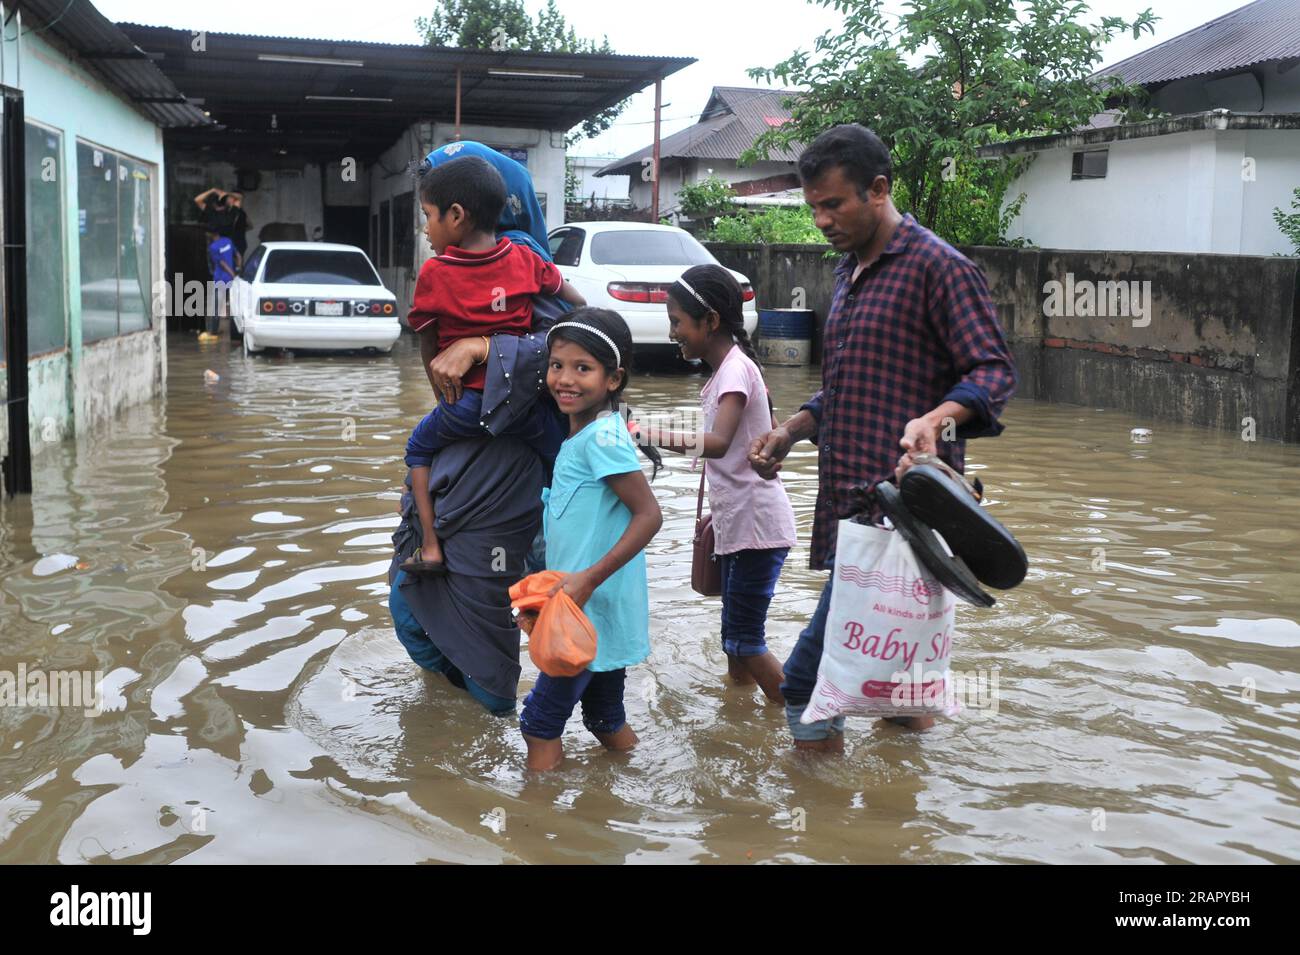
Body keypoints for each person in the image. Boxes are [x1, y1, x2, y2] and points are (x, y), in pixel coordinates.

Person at [748, 124, 1017, 751]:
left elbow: (994, 372)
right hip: (852, 511)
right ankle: (904, 819)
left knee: (804, 685)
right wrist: (791, 429)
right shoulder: (848, 273)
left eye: (832, 203)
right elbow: (848, 388)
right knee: (900, 688)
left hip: (906, 517)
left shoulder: (939, 267)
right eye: (812, 206)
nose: (820, 219)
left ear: (878, 190)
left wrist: (935, 420)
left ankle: (821, 823)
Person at [402, 155, 584, 577]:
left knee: (417, 451)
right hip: (523, 407)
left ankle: (430, 547)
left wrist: (448, 399)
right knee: (559, 463)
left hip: (466, 404)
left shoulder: (435, 272)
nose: (425, 228)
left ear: (457, 215)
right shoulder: (525, 259)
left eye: (428, 216)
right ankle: (570, 542)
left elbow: (428, 343)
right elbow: (573, 307)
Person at [519, 308, 663, 771]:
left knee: (539, 723)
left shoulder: (601, 438)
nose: (565, 379)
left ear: (613, 378)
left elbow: (649, 515)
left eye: (583, 368)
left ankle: (535, 827)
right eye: (557, 365)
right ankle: (641, 784)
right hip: (584, 607)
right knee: (604, 718)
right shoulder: (587, 435)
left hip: (586, 610)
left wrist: (586, 581)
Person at [647, 264, 796, 703]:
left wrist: (645, 431)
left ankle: (806, 722)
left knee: (745, 641)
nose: (673, 332)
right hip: (742, 526)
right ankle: (738, 719)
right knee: (734, 641)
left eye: (677, 322)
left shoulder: (734, 370)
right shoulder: (729, 370)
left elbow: (717, 443)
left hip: (757, 529)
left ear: (710, 321)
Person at [205, 229, 236, 334]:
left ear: (211, 234)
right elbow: (239, 256)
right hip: (232, 279)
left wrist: (232, 274)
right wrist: (237, 273)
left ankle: (213, 331)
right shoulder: (228, 241)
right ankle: (235, 332)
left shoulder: (212, 247)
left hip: (221, 279)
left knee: (216, 307)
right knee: (234, 306)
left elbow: (222, 263)